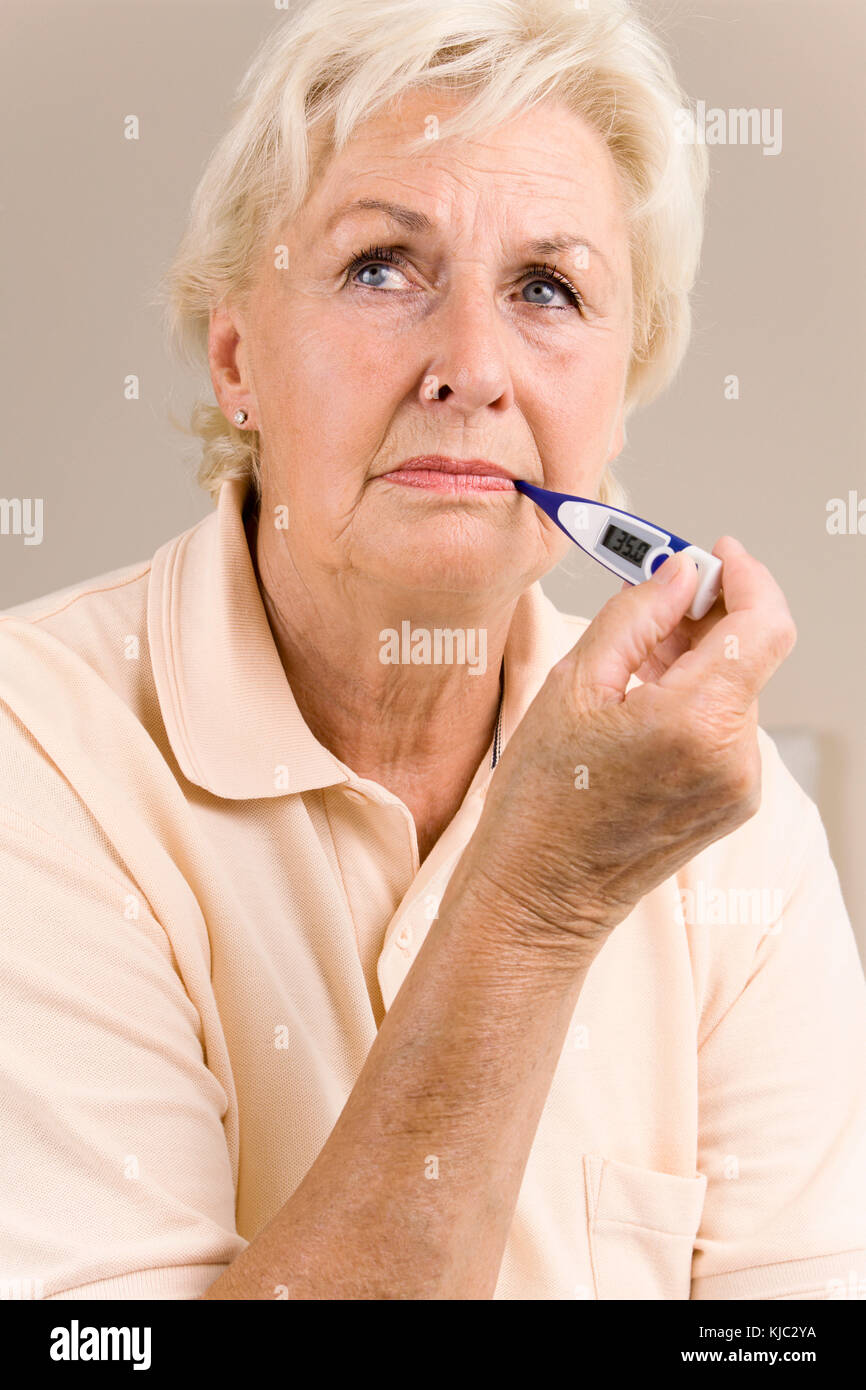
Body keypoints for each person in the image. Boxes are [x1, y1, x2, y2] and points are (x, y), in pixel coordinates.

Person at [1, 0, 864, 1301]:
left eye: (546, 288)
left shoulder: (737, 831)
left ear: (616, 393)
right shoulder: (35, 754)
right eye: (377, 268)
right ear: (236, 358)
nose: (470, 366)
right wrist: (538, 900)